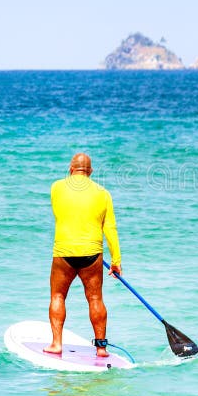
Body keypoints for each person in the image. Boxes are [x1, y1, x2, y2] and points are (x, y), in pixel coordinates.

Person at [44, 153, 122, 357]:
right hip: (92, 255)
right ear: (91, 171)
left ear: (71, 168)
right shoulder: (104, 193)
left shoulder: (56, 187)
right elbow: (110, 228)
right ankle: (102, 348)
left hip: (64, 253)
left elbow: (59, 213)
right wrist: (116, 261)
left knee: (58, 295)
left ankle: (56, 344)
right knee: (95, 298)